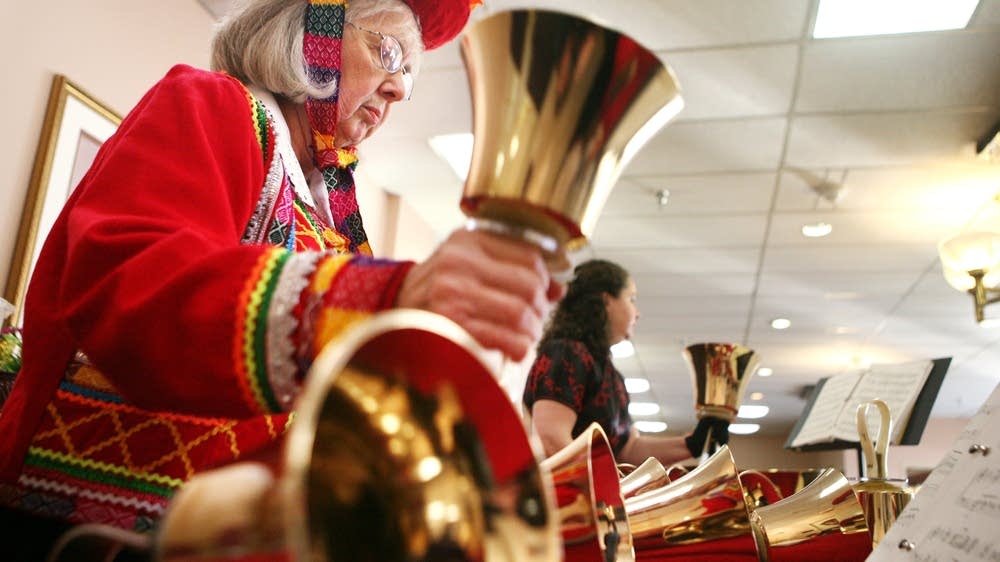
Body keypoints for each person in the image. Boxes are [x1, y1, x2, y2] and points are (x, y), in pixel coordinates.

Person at [0, 0, 562, 557]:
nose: (395, 90)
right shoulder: (212, 103)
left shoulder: (330, 213)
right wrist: (383, 299)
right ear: (313, 27)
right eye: (387, 52)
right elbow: (127, 286)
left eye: (407, 78)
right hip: (86, 531)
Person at [523, 259, 729, 468]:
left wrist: (692, 444)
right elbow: (549, 438)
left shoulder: (610, 374)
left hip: (592, 496)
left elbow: (628, 450)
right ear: (606, 301)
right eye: (631, 299)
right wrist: (604, 488)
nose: (637, 313)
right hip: (565, 497)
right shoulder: (568, 353)